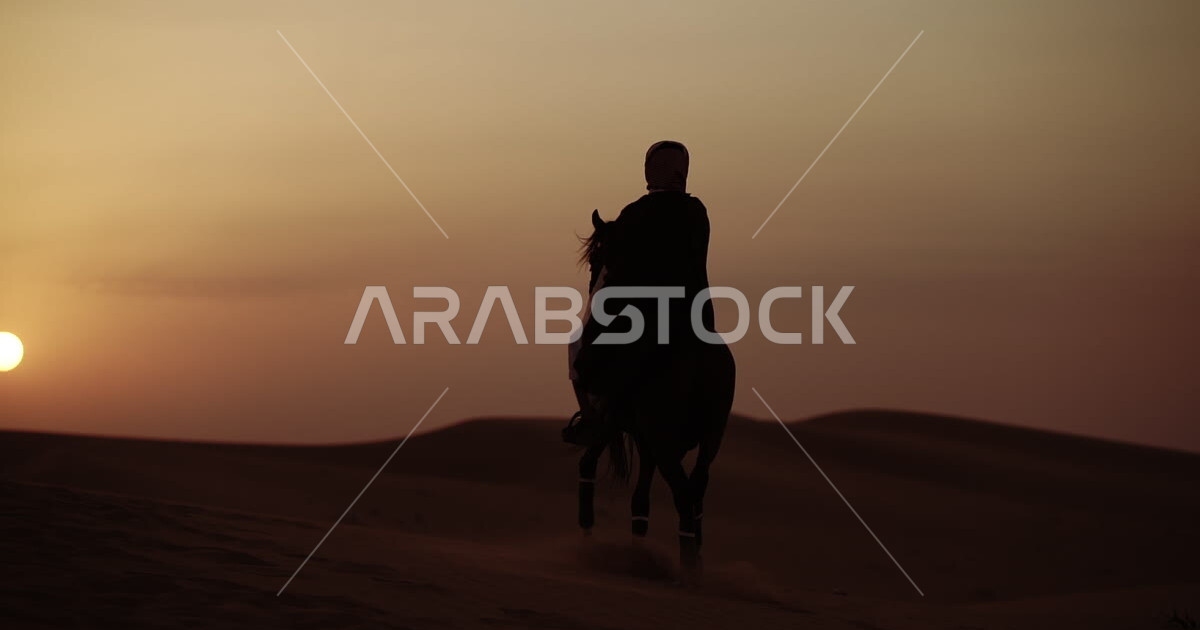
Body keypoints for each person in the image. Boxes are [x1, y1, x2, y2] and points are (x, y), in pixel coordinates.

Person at [563, 140, 715, 444]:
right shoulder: (697, 211)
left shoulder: (635, 212)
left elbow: (619, 269)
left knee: (577, 343)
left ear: (650, 170)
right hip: (697, 317)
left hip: (645, 316)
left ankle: (591, 420)